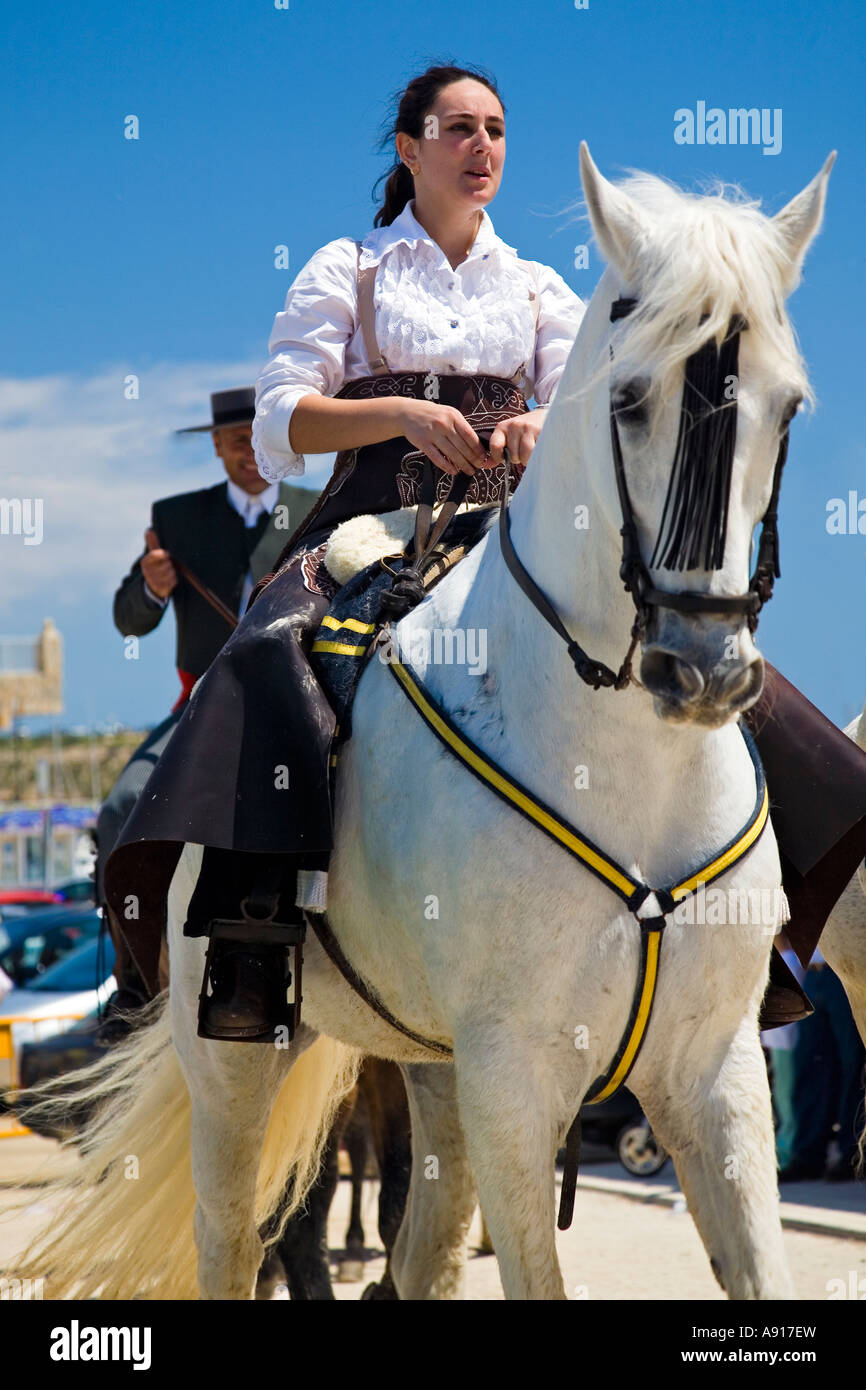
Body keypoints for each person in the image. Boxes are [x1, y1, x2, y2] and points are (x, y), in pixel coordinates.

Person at [106, 64, 866, 1046]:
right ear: (409, 148)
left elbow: (587, 404)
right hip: (365, 526)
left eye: (497, 130)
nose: (482, 147)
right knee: (266, 649)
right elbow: (280, 422)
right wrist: (399, 413)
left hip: (514, 525)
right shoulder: (348, 268)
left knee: (698, 648)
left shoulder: (541, 287)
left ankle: (758, 924)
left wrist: (534, 424)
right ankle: (254, 929)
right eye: (458, 128)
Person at [96, 388, 319, 1035]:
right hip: (202, 703)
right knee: (120, 807)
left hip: (300, 695)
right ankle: (134, 982)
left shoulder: (315, 509)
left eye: (257, 439)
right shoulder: (177, 517)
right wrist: (149, 585)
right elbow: (126, 619)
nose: (248, 454)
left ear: (278, 442)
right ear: (218, 448)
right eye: (233, 442)